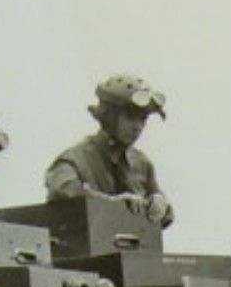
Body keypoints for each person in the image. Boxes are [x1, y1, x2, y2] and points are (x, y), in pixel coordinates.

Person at [44, 74, 174, 228]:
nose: (137, 126)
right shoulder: (73, 160)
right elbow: (62, 190)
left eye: (143, 119)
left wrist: (160, 202)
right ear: (110, 116)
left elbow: (164, 215)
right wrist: (110, 204)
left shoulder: (142, 164)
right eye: (130, 117)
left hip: (134, 250)